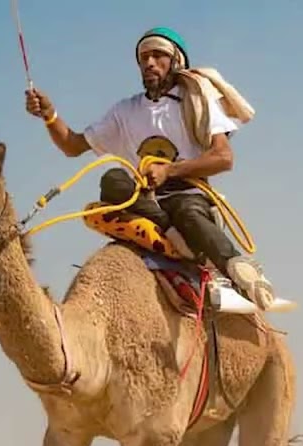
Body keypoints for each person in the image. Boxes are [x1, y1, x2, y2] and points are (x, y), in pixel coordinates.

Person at [24, 27, 277, 310]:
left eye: (158, 55)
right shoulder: (125, 111)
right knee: (113, 180)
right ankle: (175, 237)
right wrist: (49, 115)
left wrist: (169, 171)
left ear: (176, 61)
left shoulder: (196, 101)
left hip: (187, 195)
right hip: (144, 201)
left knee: (188, 213)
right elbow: (73, 146)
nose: (149, 63)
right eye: (144, 57)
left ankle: (242, 274)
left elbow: (223, 157)